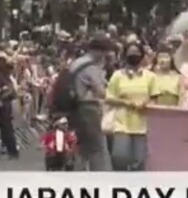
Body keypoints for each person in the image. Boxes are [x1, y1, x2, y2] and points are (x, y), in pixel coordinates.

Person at [104, 42, 156, 171]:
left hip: (142, 125)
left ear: (142, 56)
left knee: (139, 162)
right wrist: (127, 103)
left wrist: (146, 104)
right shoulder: (117, 76)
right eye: (130, 53)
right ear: (125, 56)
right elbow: (109, 98)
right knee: (119, 157)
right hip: (121, 124)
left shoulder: (150, 77)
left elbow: (155, 99)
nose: (134, 55)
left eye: (137, 53)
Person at [67, 34, 113, 171]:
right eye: (105, 51)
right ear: (98, 51)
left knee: (82, 146)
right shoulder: (90, 66)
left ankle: (80, 173)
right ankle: (97, 177)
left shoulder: (77, 62)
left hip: (75, 107)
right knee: (96, 147)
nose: (106, 55)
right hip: (88, 107)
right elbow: (101, 91)